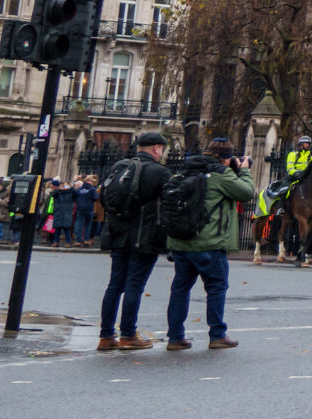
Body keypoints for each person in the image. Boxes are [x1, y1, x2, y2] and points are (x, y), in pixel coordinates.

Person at [164, 136, 256, 352]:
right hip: (209, 243)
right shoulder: (220, 175)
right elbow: (247, 193)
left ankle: (175, 337)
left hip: (181, 241)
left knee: (180, 288)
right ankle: (217, 335)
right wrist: (243, 170)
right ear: (226, 158)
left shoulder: (187, 171)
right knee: (216, 288)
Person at [97, 133, 171, 352]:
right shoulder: (160, 172)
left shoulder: (120, 166)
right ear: (157, 148)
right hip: (144, 235)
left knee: (114, 286)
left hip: (118, 233)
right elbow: (170, 202)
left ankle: (106, 336)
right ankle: (128, 335)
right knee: (134, 286)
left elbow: (103, 196)